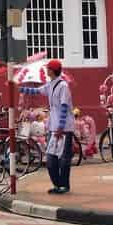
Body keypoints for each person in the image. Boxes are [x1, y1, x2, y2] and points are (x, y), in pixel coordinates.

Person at [36, 60, 74, 195]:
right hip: (53, 128)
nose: (46, 70)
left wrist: (61, 126)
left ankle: (64, 185)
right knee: (51, 159)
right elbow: (37, 91)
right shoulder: (50, 84)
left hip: (64, 129)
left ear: (52, 70)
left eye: (48, 68)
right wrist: (19, 89)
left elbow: (64, 107)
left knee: (64, 159)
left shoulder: (63, 86)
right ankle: (57, 184)